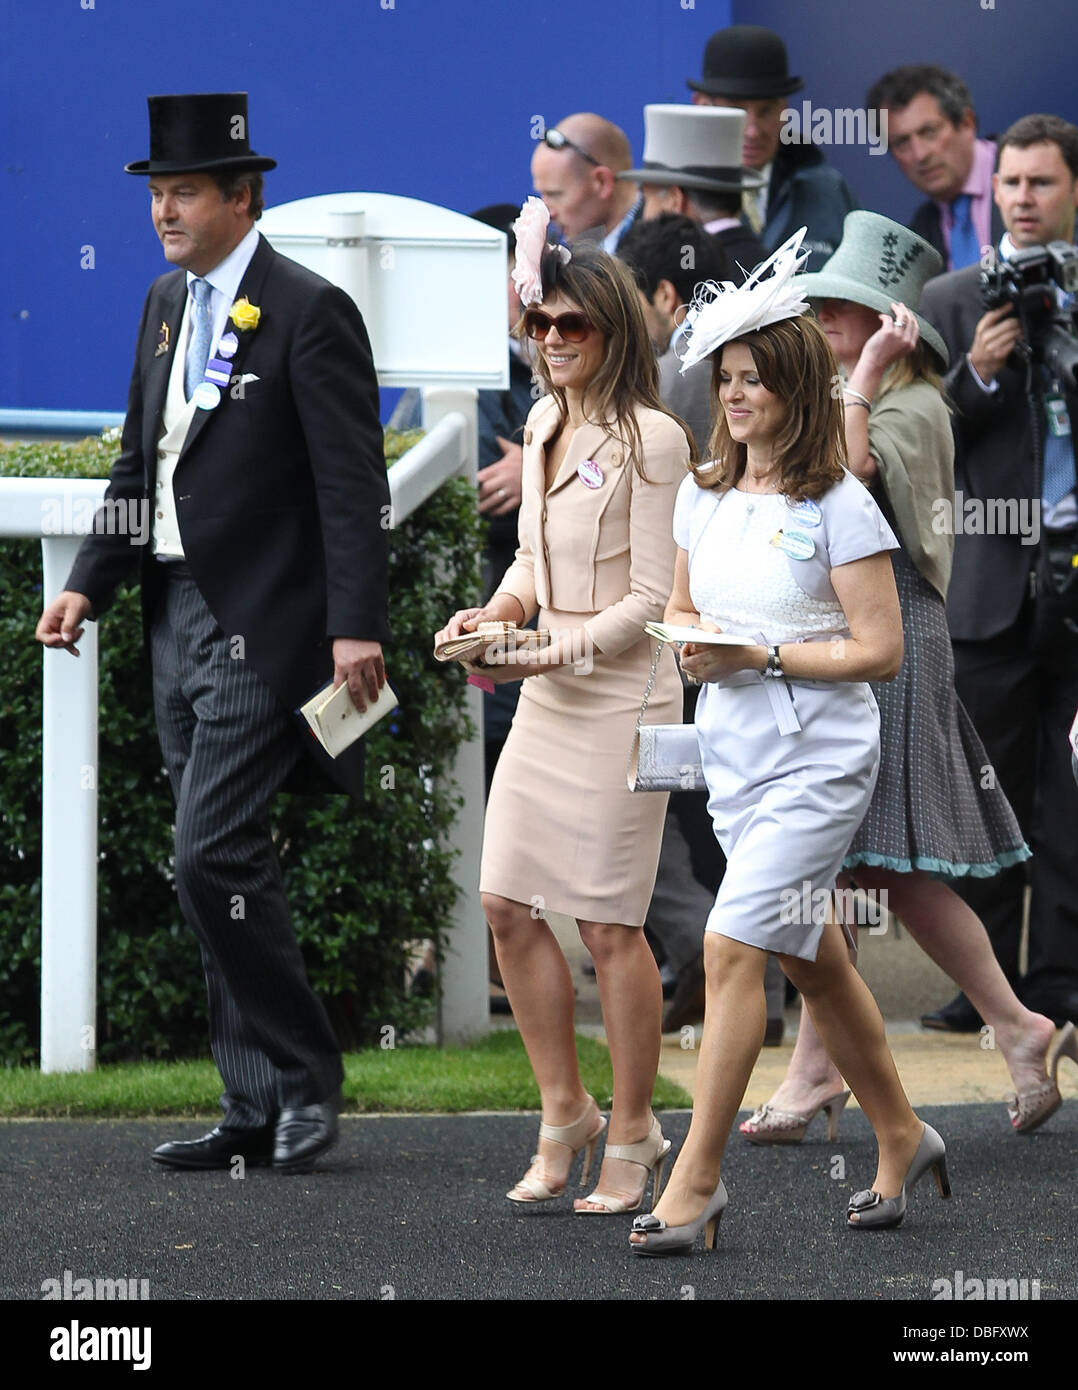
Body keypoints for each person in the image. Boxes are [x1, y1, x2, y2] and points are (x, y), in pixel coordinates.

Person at [35, 93, 390, 1173]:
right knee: (214, 863)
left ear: (244, 196)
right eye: (154, 192)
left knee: (209, 851)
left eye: (184, 191)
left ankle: (307, 1072)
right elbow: (139, 470)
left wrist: (353, 631)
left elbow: (350, 487)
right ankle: (251, 1106)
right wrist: (87, 585)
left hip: (264, 626)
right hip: (170, 617)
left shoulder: (310, 310)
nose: (162, 211)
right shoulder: (161, 304)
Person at [629, 232, 950, 1255]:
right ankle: (902, 1132)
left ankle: (696, 1179)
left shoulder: (839, 504)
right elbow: (683, 610)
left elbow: (881, 651)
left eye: (753, 380)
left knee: (731, 949)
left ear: (795, 390)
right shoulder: (702, 492)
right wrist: (694, 652)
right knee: (812, 956)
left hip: (820, 760)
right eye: (724, 378)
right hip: (734, 758)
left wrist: (762, 655)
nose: (733, 396)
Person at [740, 211, 1073, 1146]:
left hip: (891, 643)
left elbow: (845, 481)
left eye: (844, 312)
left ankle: (994, 1031)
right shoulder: (867, 396)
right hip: (849, 637)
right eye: (826, 312)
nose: (826, 326)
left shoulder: (909, 405)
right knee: (852, 864)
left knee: (865, 862)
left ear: (888, 325)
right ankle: (994, 1033)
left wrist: (866, 378)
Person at [435, 198, 692, 1214]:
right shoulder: (541, 421)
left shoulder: (655, 440)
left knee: (609, 926)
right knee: (503, 901)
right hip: (551, 691)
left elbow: (650, 599)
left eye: (570, 326)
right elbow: (532, 563)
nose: (550, 342)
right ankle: (564, 1114)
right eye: (538, 324)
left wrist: (544, 649)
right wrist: (490, 614)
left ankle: (632, 1129)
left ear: (612, 330)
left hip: (628, 700)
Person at [918, 114, 1078, 1032]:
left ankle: (1060, 983)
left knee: (1071, 800)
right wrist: (975, 375)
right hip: (985, 588)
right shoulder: (950, 300)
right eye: (1010, 183)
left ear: (1070, 194)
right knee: (988, 794)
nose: (1022, 199)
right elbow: (917, 446)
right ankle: (984, 990)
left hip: (1074, 582)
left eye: (1042, 184)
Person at [688, 25, 857, 270]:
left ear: (784, 110)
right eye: (736, 110)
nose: (752, 130)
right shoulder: (673, 201)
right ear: (702, 106)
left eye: (766, 111)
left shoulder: (829, 192)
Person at [866, 65, 1002, 273]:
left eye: (929, 132)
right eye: (902, 142)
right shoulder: (918, 237)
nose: (920, 155)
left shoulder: (1034, 169)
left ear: (967, 123)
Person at [618, 105, 766, 281]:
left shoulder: (680, 278)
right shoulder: (772, 264)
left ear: (675, 200)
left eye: (647, 198)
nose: (643, 214)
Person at [530, 114, 641, 250]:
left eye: (555, 195)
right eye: (542, 194)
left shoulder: (665, 255)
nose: (547, 214)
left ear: (602, 182)